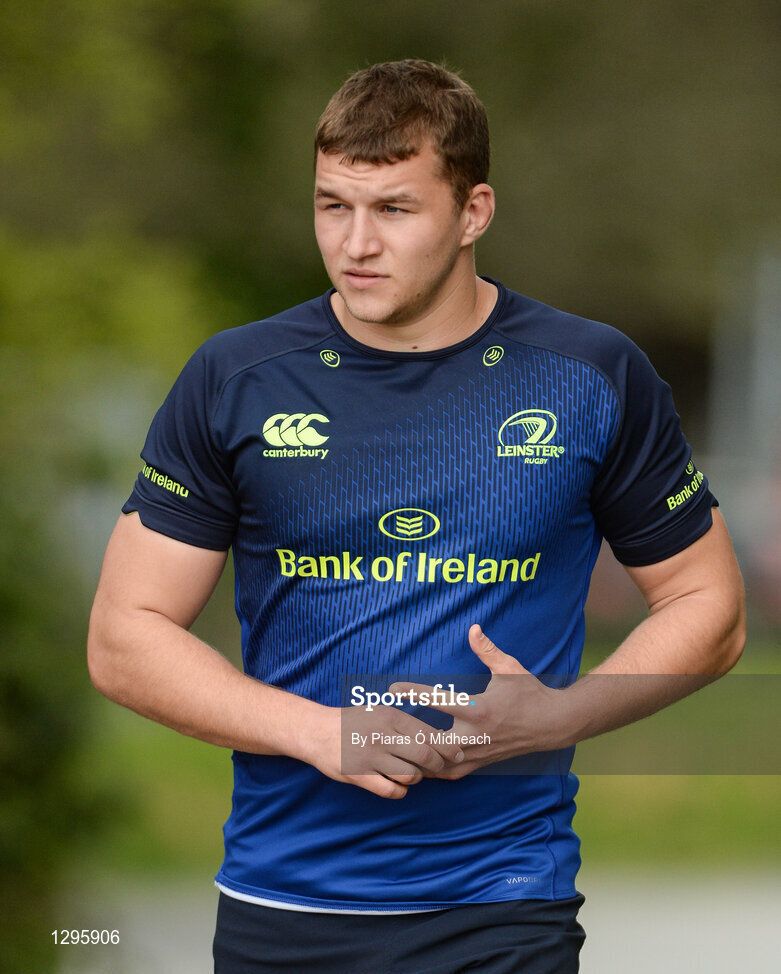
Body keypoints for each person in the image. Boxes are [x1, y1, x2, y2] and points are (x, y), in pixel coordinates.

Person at [87, 59, 745, 973]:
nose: (355, 243)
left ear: (473, 211)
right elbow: (125, 636)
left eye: (393, 209)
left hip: (505, 905)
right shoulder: (235, 380)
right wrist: (322, 734)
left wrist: (559, 717)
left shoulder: (591, 375)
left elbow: (708, 606)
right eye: (331, 206)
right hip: (283, 905)